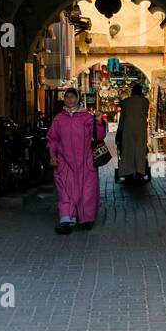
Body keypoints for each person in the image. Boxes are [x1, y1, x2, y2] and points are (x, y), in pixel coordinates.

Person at [47, 87, 104, 234]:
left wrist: (98, 122)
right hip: (65, 163)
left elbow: (99, 137)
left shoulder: (86, 117)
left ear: (77, 99)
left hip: (86, 161)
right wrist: (52, 156)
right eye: (67, 97)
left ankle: (86, 219)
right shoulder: (59, 119)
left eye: (73, 97)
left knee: (87, 191)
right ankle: (66, 219)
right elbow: (52, 139)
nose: (70, 100)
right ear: (64, 99)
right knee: (66, 191)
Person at [116, 82, 149, 183]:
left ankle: (128, 173)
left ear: (132, 91)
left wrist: (119, 130)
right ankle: (140, 173)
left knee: (128, 151)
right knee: (140, 151)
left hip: (128, 129)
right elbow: (145, 114)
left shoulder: (125, 102)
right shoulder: (145, 101)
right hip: (141, 129)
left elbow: (122, 118)